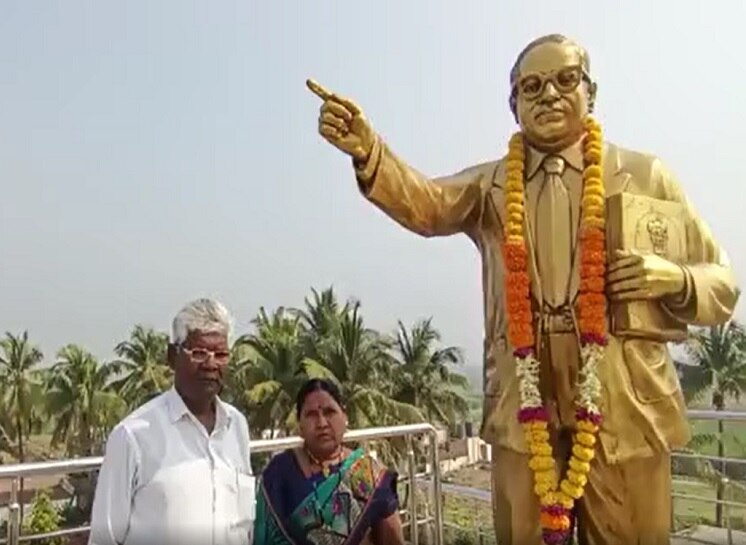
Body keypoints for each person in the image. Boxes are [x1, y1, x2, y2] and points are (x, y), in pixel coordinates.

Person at [306, 35, 738, 545]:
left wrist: (675, 277)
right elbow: (428, 204)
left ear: (591, 92)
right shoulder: (492, 185)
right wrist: (370, 151)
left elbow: (723, 281)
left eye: (565, 80)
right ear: (514, 106)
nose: (548, 95)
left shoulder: (644, 175)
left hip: (625, 398)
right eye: (531, 86)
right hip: (522, 393)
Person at [88, 298, 255, 545]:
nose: (211, 364)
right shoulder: (133, 436)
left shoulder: (237, 426)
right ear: (172, 356)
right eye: (198, 353)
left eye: (220, 354)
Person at [253, 379, 403, 545]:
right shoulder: (279, 473)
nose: (322, 423)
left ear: (344, 417)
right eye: (311, 415)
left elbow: (392, 540)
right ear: (300, 425)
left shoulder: (370, 474)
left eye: (330, 412)